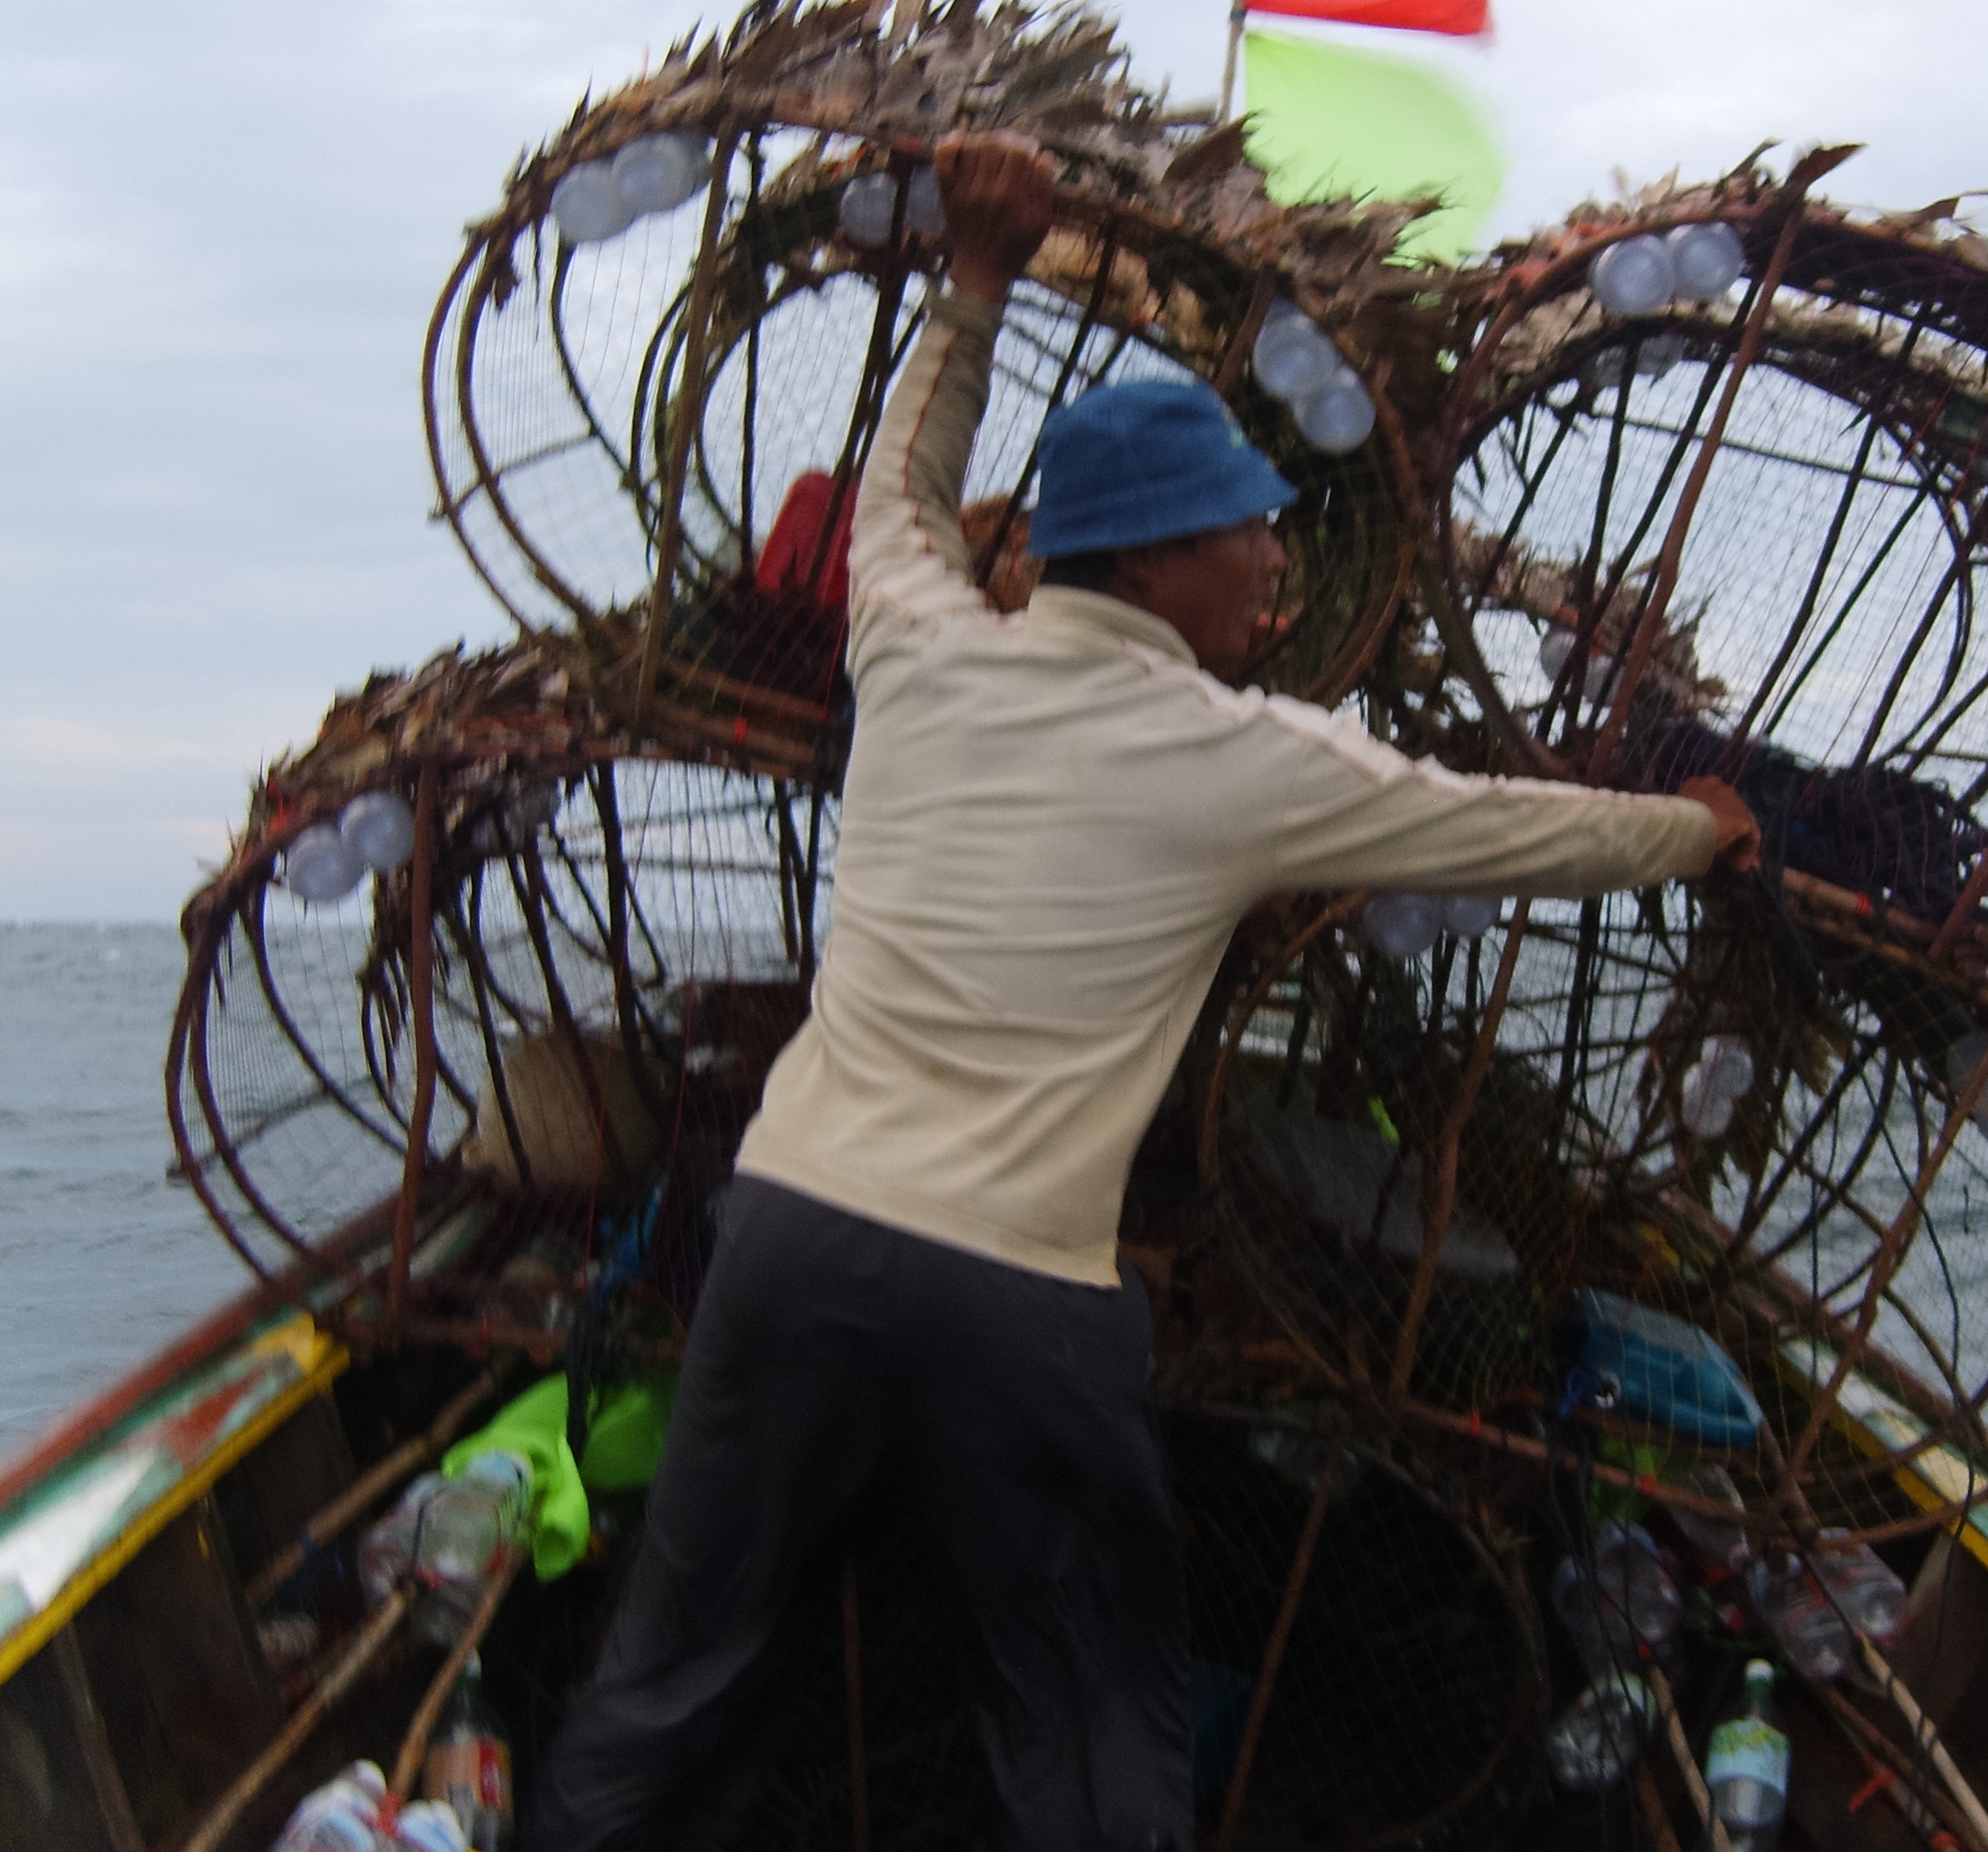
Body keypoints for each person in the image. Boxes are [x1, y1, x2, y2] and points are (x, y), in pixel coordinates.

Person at [529, 133, 1759, 1852]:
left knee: (677, 1673)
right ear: (1157, 556)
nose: (1273, 560)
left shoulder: (917, 647)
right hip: (1018, 1304)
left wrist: (971, 281)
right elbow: (1508, 828)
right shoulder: (1248, 756)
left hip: (792, 1238)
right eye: (1248, 531)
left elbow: (898, 495)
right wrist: (1697, 831)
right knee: (1086, 1723)